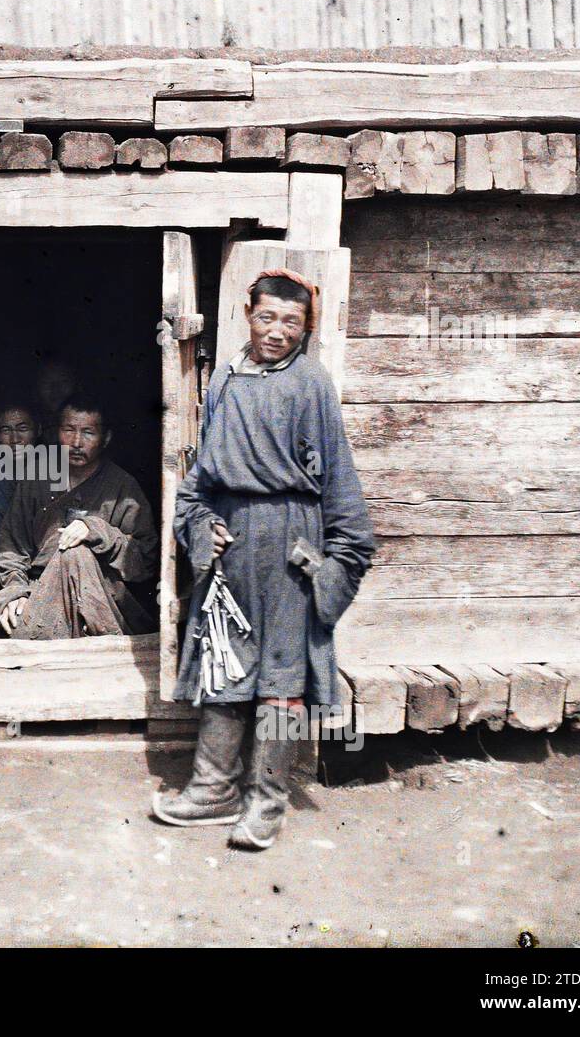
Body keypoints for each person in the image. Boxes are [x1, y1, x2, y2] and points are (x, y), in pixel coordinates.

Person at [151, 269, 375, 850]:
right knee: (225, 661)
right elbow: (201, 476)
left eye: (292, 322)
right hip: (234, 544)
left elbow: (340, 481)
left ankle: (266, 803)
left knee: (282, 677)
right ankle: (212, 790)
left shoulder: (311, 384)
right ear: (247, 314)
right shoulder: (225, 378)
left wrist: (340, 556)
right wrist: (202, 525)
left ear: (307, 327)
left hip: (287, 544)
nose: (277, 332)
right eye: (267, 317)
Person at [0, 392, 159, 639]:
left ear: (105, 438)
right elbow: (12, 549)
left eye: (88, 432)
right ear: (56, 433)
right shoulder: (37, 479)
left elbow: (145, 562)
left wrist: (98, 531)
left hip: (104, 609)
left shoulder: (123, 487)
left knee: (75, 554)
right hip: (42, 599)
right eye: (69, 430)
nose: (76, 442)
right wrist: (15, 591)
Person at [0, 400, 41, 557]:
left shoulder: (53, 469)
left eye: (22, 429)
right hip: (1, 554)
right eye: (6, 430)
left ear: (38, 430)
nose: (15, 439)